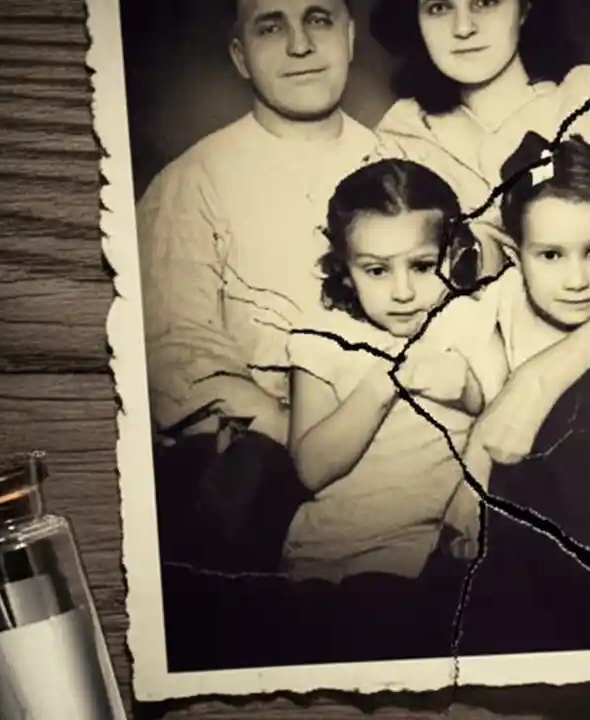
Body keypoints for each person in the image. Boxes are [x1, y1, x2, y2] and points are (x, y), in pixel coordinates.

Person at [137, 0, 389, 575]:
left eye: (319, 19)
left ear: (349, 37)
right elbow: (177, 355)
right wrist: (303, 436)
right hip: (270, 479)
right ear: (240, 55)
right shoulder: (191, 182)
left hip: (405, 458)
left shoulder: (399, 162)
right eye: (271, 26)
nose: (300, 45)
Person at [371, 0, 590, 478]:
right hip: (471, 386)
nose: (464, 27)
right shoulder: (403, 136)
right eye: (439, 7)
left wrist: (541, 378)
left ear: (524, 8)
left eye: (485, 1)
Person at [276, 157, 508, 660]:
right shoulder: (324, 339)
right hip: (327, 552)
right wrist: (383, 384)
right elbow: (310, 469)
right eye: (376, 270)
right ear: (344, 266)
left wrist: (468, 389)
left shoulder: (466, 322)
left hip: (426, 557)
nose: (402, 292)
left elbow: (506, 419)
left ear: (452, 255)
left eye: (422, 266)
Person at [454, 133, 590, 656]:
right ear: (515, 255)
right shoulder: (497, 305)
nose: (576, 280)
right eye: (550, 255)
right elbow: (477, 411)